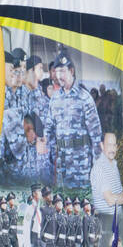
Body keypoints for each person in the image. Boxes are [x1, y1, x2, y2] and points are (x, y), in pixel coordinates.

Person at [47, 55, 102, 191]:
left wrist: (97, 165)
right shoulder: (54, 99)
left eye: (62, 71)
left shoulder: (84, 98)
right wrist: (53, 154)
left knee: (81, 201)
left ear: (71, 71)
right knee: (64, 201)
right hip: (62, 163)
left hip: (81, 163)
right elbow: (49, 128)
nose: (59, 76)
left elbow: (96, 134)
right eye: (57, 71)